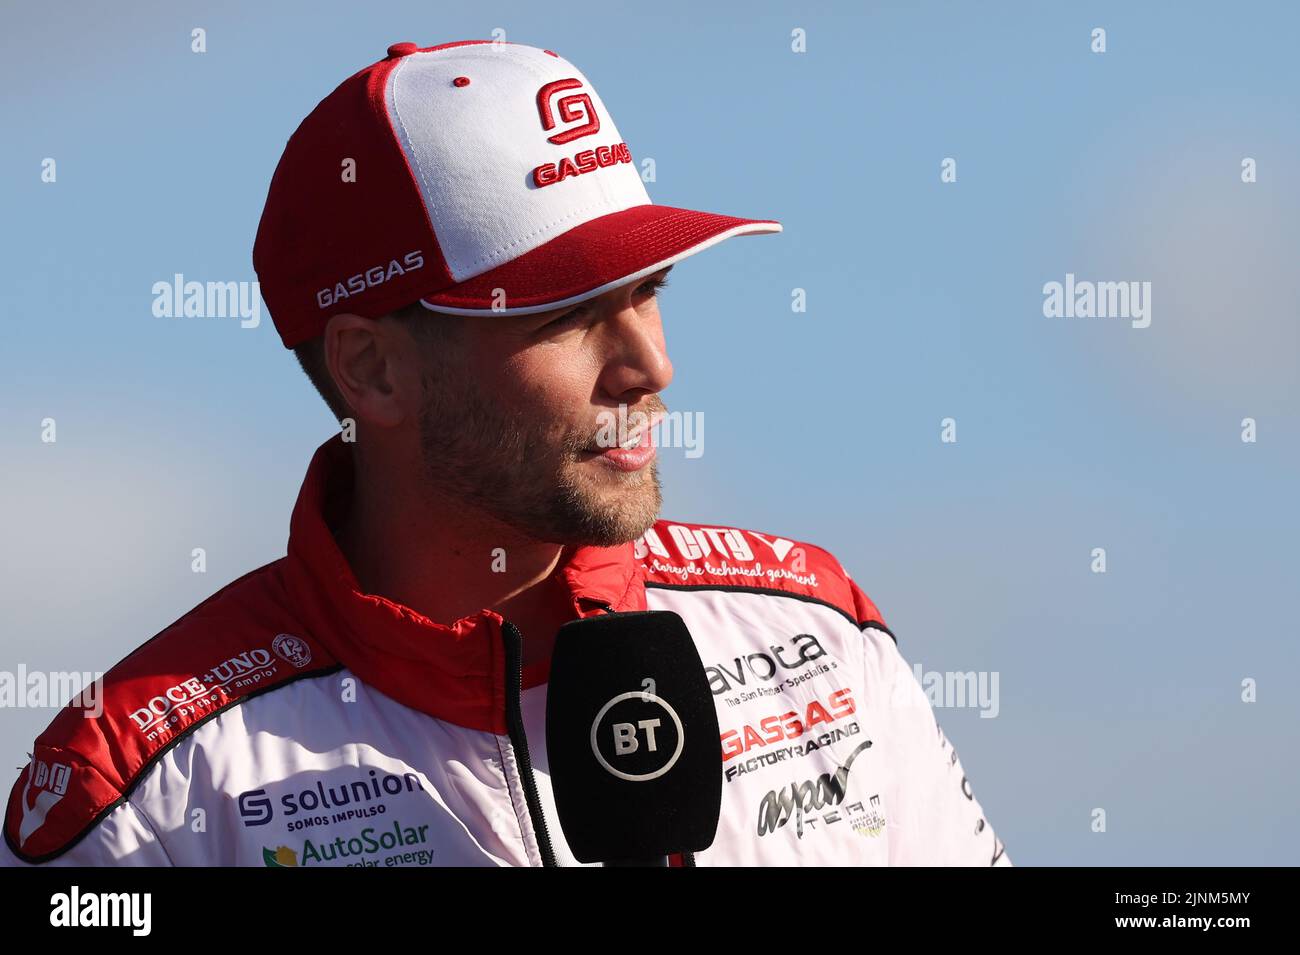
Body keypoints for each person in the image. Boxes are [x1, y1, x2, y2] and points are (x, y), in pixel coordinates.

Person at [2, 39, 1009, 867]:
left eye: (648, 291)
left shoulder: (815, 629)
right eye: (568, 315)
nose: (649, 364)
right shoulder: (143, 785)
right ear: (373, 371)